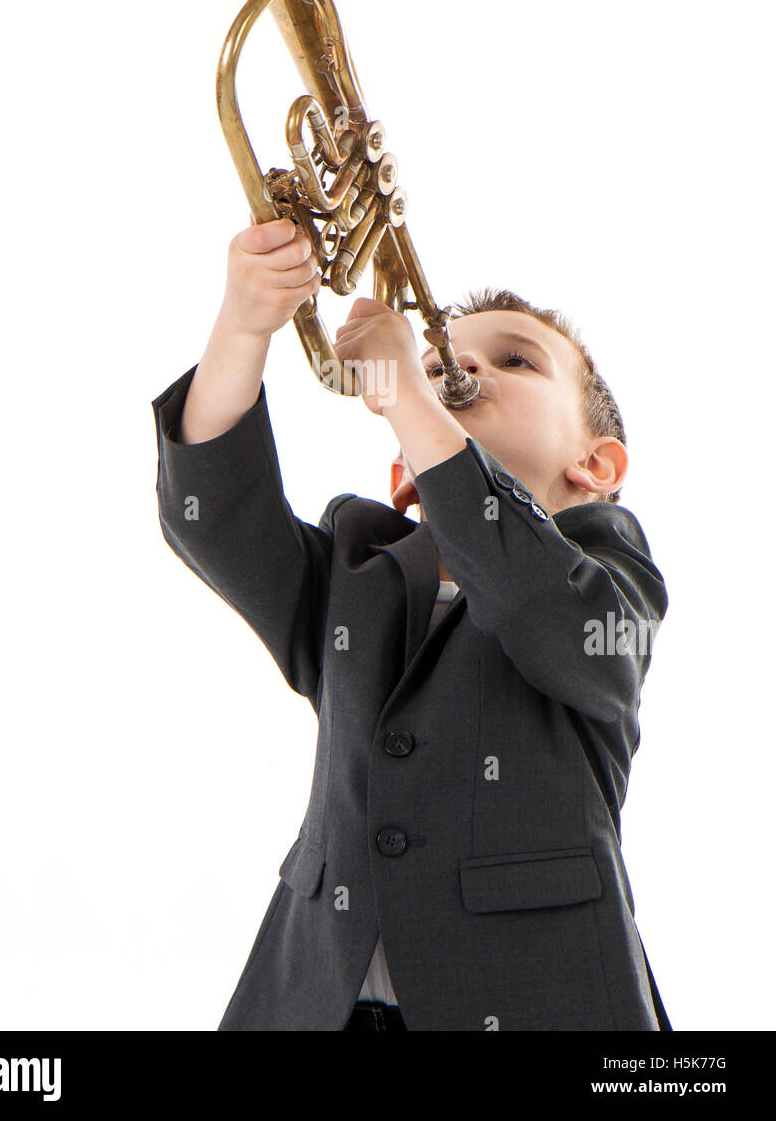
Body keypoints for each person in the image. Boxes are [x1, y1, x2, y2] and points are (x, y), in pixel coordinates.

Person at [151, 216, 672, 1031]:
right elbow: (211, 515)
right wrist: (244, 324)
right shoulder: (356, 569)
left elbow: (536, 605)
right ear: (405, 479)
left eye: (514, 361)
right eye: (435, 365)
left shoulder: (610, 574)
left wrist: (414, 398)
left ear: (595, 467)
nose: (462, 366)